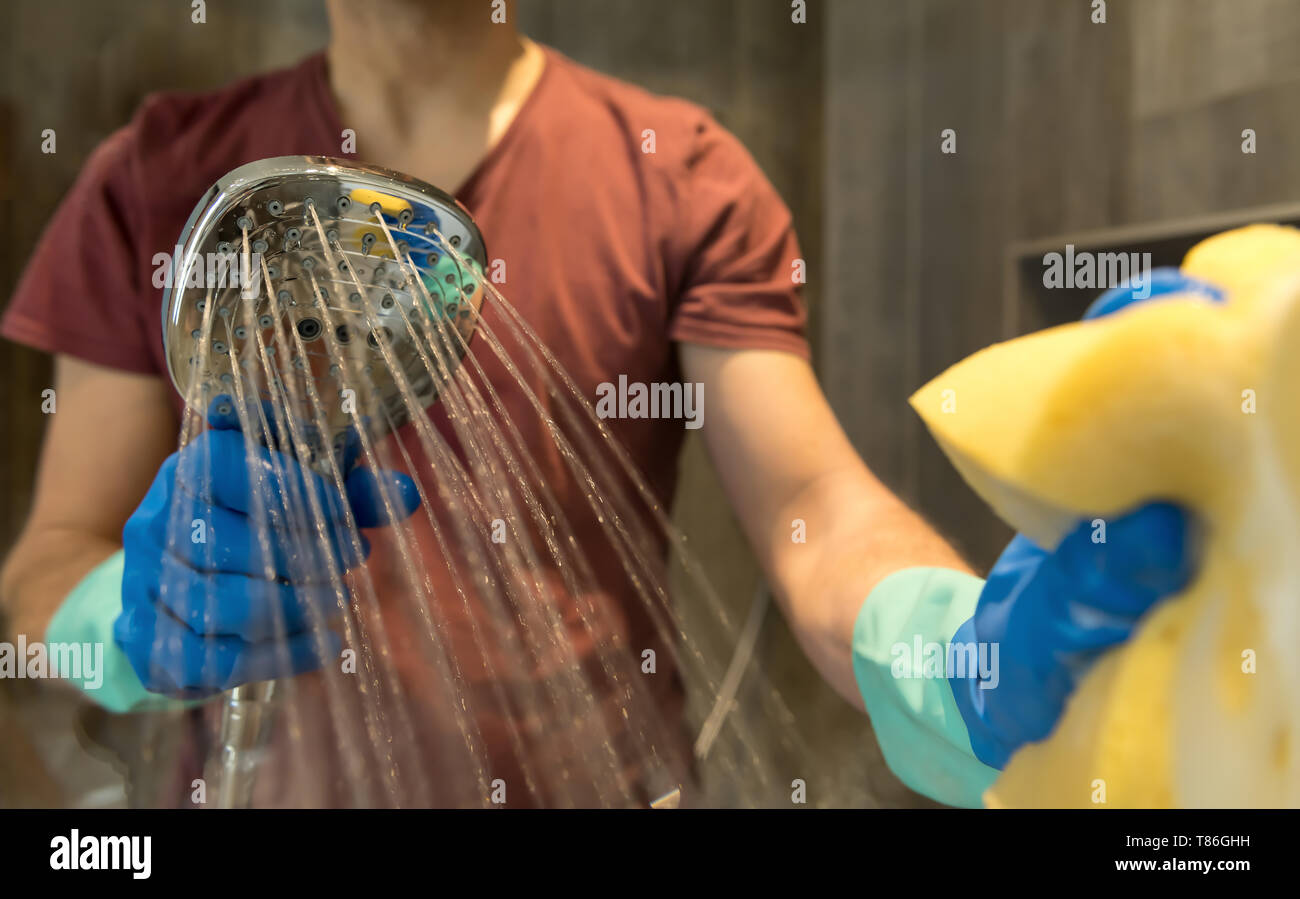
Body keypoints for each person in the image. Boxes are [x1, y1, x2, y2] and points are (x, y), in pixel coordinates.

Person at [0, 0, 1195, 807]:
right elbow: (42, 573)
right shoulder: (153, 179)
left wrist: (942, 650)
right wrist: (126, 619)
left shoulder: (679, 175)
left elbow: (812, 510)